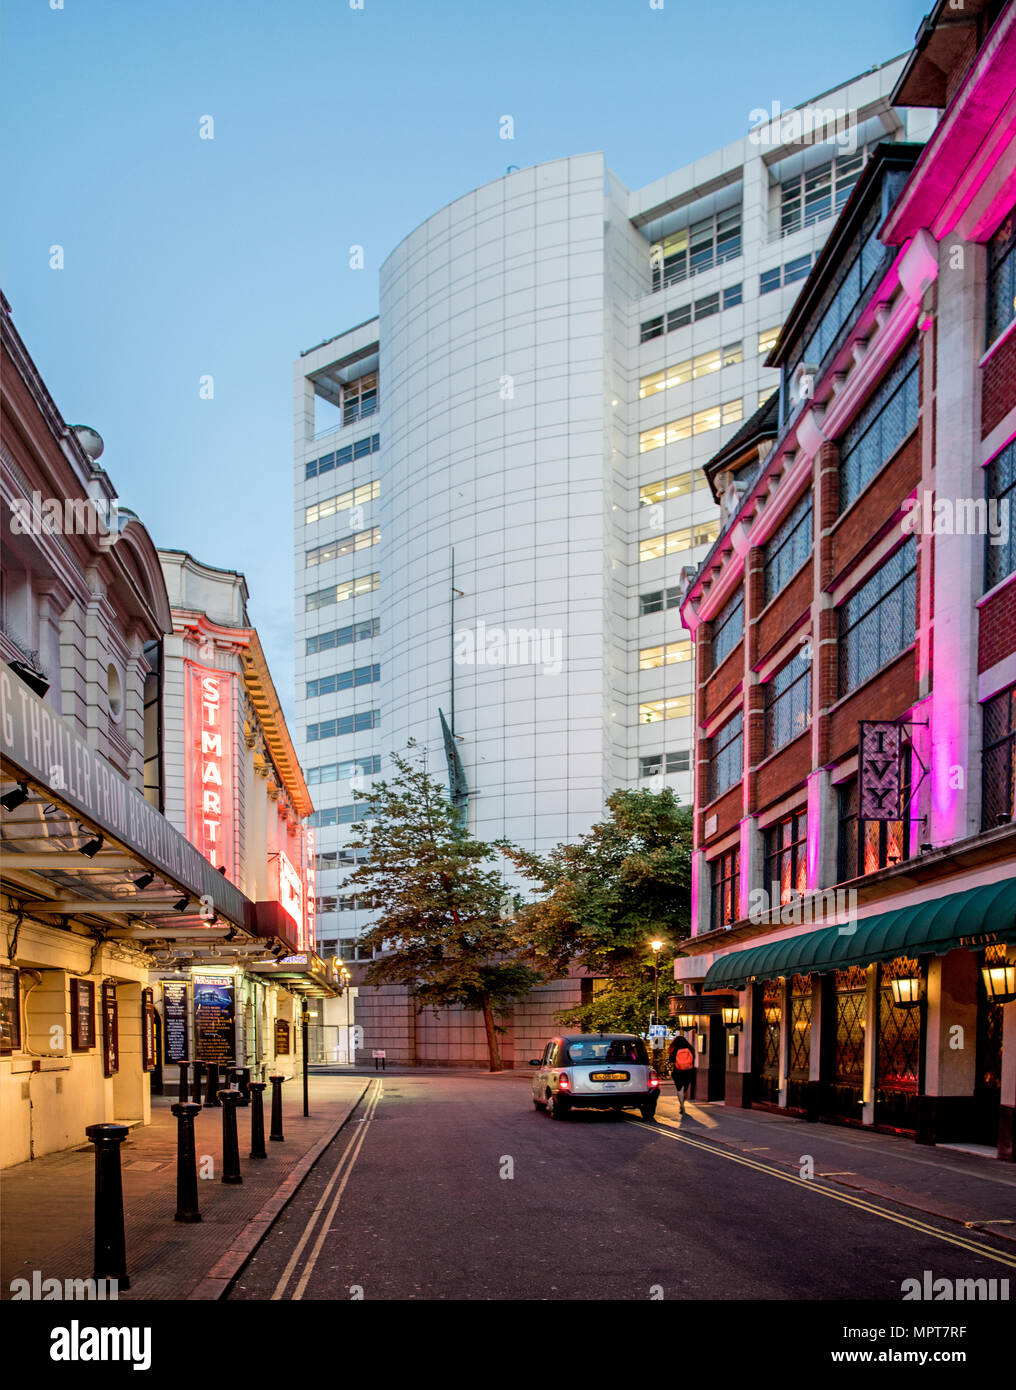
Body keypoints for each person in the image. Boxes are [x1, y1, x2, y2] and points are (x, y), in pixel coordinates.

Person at [668, 1033, 696, 1115]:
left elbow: (672, 1060)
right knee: (685, 1088)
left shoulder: (674, 1049)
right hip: (688, 1071)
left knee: (679, 1089)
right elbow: (693, 1059)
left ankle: (681, 1105)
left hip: (678, 1071)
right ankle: (683, 1103)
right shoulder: (690, 1048)